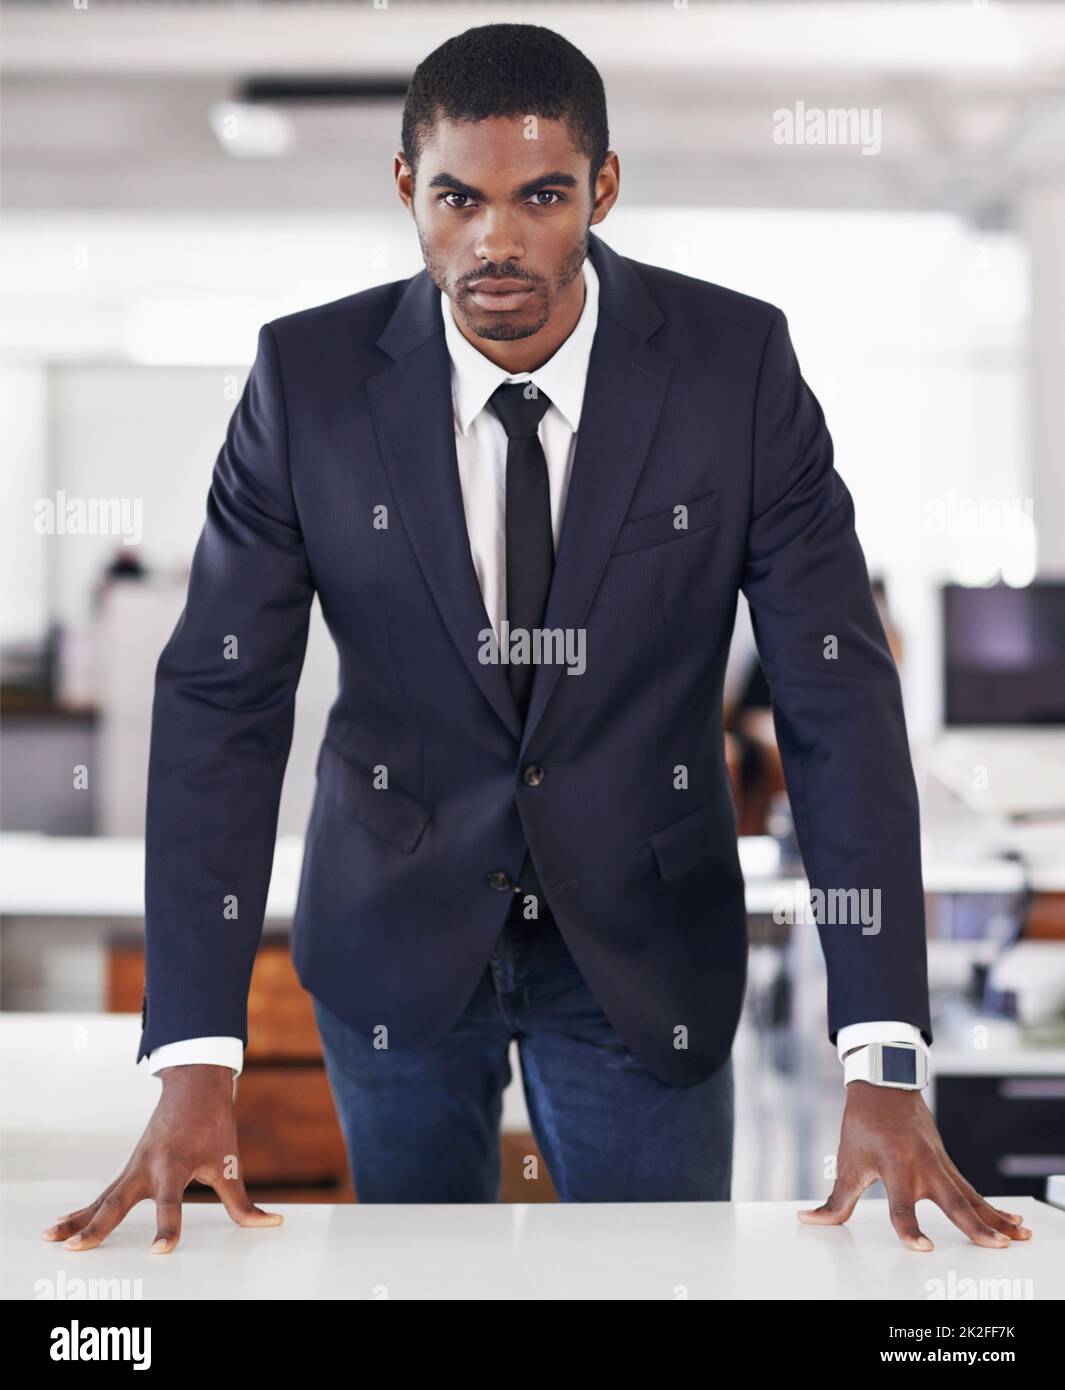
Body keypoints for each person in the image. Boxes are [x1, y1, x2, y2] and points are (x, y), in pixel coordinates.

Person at [45, 23, 1030, 1253]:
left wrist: (881, 1052)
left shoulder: (737, 370)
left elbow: (839, 709)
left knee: (660, 1291)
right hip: (394, 933)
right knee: (408, 1291)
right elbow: (219, 707)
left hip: (642, 948)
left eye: (542, 196)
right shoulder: (307, 382)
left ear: (602, 189)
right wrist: (196, 1048)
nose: (496, 240)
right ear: (409, 186)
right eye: (459, 196)